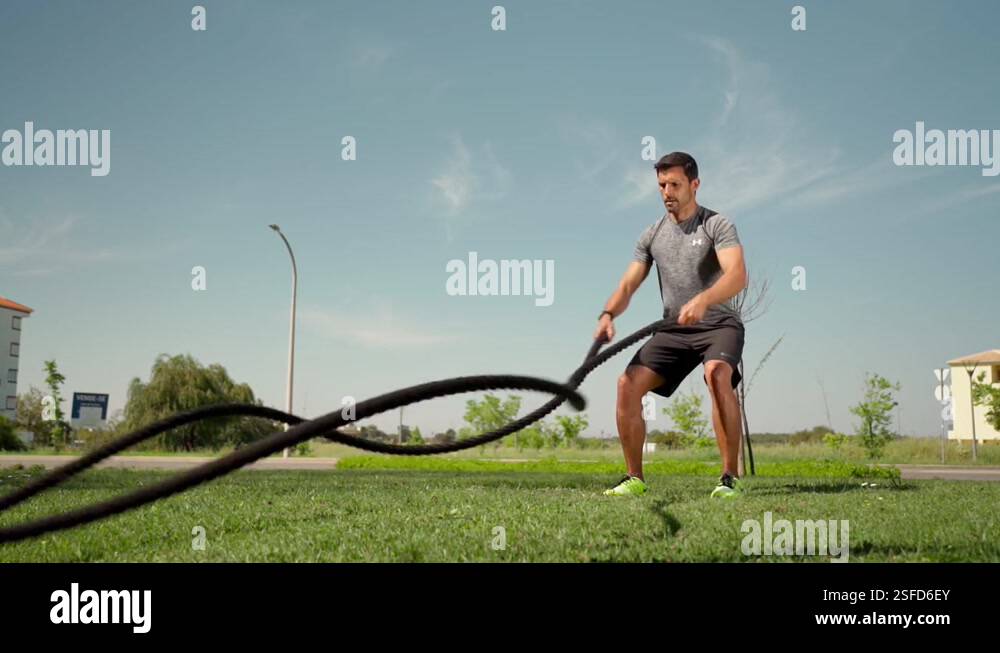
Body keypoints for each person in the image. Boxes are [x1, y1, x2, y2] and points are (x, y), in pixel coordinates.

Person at [595, 152, 748, 499]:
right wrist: (607, 315)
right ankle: (634, 478)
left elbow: (738, 275)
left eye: (675, 184)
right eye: (662, 185)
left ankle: (728, 478)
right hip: (674, 329)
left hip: (719, 323)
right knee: (626, 384)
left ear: (694, 184)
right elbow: (628, 285)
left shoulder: (716, 225)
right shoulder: (652, 235)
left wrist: (705, 300)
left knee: (717, 374)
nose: (667, 191)